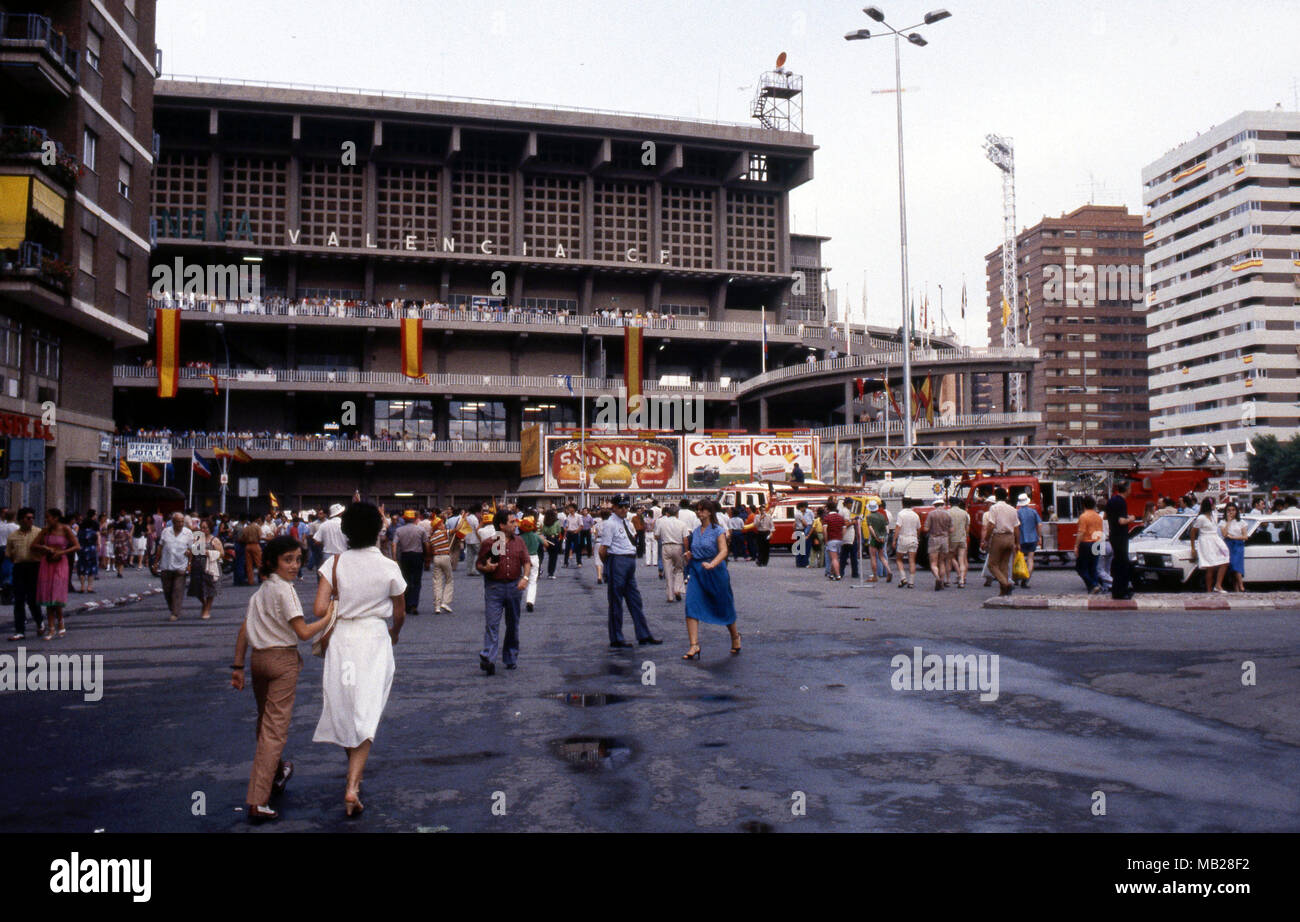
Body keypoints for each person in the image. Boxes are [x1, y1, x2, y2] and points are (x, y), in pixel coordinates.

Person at [230, 535, 333, 823]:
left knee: (265, 724)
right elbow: (303, 632)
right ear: (274, 561)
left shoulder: (260, 592)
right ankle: (257, 800)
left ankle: (275, 774)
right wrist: (330, 615)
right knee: (275, 730)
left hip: (258, 660)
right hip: (283, 661)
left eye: (298, 559)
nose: (294, 565)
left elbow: (244, 630)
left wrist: (237, 667)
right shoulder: (285, 591)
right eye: (288, 559)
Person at [312, 502, 406, 817]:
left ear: (346, 530)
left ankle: (354, 772)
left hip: (342, 641)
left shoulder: (334, 565)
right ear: (379, 530)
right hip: (375, 639)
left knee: (345, 707)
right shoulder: (389, 566)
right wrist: (394, 633)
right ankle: (352, 785)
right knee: (366, 710)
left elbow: (319, 609)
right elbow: (400, 611)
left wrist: (344, 600)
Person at [599, 494, 661, 648]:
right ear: (613, 507)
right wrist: (609, 566)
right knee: (616, 602)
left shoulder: (625, 521)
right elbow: (602, 550)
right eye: (620, 506)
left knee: (635, 600)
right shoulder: (610, 524)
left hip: (628, 561)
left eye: (626, 506)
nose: (624, 509)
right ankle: (616, 638)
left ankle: (643, 634)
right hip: (617, 561)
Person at [681, 499, 739, 660]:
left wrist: (712, 564)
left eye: (701, 510)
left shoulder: (717, 530)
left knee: (724, 606)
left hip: (715, 572)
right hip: (697, 571)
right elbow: (694, 550)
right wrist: (689, 556)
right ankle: (694, 645)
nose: (698, 512)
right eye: (697, 510)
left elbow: (724, 551)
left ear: (709, 512)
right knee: (691, 605)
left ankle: (735, 637)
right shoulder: (696, 530)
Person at [475, 511, 530, 674]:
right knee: (492, 624)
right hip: (494, 588)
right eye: (512, 522)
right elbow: (479, 564)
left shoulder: (519, 542)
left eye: (515, 522)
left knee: (513, 624)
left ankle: (510, 656)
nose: (515, 525)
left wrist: (525, 578)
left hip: (514, 587)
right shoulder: (490, 543)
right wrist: (486, 568)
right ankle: (489, 658)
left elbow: (526, 562)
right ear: (502, 525)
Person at [33, 508, 79, 639]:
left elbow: (76, 546)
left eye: (48, 517)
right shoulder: (45, 530)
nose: (46, 520)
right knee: (48, 596)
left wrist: (61, 552)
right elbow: (34, 545)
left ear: (56, 518)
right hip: (47, 563)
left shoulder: (65, 529)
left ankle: (61, 623)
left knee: (56, 594)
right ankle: (51, 628)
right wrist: (44, 548)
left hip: (60, 562)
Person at [6, 509, 43, 641]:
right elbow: (9, 554)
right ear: (21, 520)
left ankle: (40, 622)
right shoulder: (13, 536)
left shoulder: (38, 532)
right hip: (19, 567)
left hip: (34, 567)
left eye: (32, 518)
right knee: (19, 599)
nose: (31, 520)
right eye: (28, 518)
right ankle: (19, 630)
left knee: (33, 599)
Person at [981, 488, 1020, 597]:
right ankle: (1003, 591)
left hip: (999, 537)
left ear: (996, 497)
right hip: (1010, 537)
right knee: (1004, 565)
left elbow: (991, 525)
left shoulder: (994, 508)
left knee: (992, 564)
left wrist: (986, 540)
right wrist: (1017, 543)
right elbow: (1016, 527)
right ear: (1006, 496)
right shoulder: (1013, 509)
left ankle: (1006, 584)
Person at [156, 512, 194, 621]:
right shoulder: (166, 532)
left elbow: (192, 549)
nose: (181, 524)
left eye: (182, 521)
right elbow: (160, 547)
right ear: (173, 522)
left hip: (181, 566)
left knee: (178, 589)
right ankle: (173, 608)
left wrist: (189, 564)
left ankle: (175, 612)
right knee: (167, 590)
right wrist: (155, 562)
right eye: (178, 521)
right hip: (166, 565)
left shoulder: (188, 533)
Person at [1189, 497, 1229, 594]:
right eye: (1214, 504)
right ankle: (1209, 590)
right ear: (1210, 505)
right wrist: (1193, 548)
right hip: (1206, 541)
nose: (1215, 506)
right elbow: (1193, 532)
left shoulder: (1213, 515)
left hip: (1215, 539)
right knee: (1210, 566)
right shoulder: (1201, 518)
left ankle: (1218, 585)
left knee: (1225, 559)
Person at [187, 517, 222, 620]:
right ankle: (204, 603)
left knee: (211, 588)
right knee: (197, 588)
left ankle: (207, 609)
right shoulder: (197, 539)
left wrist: (209, 553)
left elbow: (221, 553)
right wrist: (189, 562)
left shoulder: (214, 540)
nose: (203, 530)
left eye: (205, 528)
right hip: (197, 566)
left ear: (210, 528)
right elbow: (191, 552)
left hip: (210, 566)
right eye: (201, 528)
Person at [1105, 481, 1136, 600]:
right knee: (1123, 564)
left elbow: (1107, 516)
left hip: (1113, 535)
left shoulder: (1111, 500)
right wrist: (1131, 518)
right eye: (1130, 488)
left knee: (1117, 563)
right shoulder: (1121, 502)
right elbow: (1121, 521)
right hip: (1121, 536)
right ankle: (1121, 592)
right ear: (1127, 489)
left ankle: (1116, 590)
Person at [393, 510, 427, 615]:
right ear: (414, 518)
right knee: (417, 581)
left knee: (405, 580)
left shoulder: (399, 530)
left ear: (404, 518)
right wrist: (427, 558)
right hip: (417, 555)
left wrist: (394, 558)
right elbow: (426, 544)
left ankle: (406, 605)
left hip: (405, 556)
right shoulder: (421, 530)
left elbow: (394, 545)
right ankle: (414, 605)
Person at [655, 503, 688, 602]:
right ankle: (677, 589)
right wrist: (686, 551)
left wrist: (663, 539)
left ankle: (670, 596)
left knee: (668, 571)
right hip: (678, 546)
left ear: (668, 514)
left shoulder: (661, 523)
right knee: (679, 569)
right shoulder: (682, 524)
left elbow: (656, 536)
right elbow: (685, 539)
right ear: (677, 514)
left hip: (665, 546)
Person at [1075, 496, 1104, 594]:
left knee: (1080, 568)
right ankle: (1094, 586)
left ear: (1083, 504)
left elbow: (1081, 532)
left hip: (1086, 543)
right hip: (1097, 542)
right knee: (1093, 567)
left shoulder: (1083, 516)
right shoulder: (1098, 517)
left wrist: (1076, 546)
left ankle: (1093, 585)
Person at [427, 514, 455, 613]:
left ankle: (437, 606)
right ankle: (445, 602)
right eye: (442, 524)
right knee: (449, 580)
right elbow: (455, 530)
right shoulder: (443, 533)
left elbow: (430, 549)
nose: (443, 525)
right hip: (445, 557)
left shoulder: (432, 537)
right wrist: (462, 519)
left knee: (437, 582)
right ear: (438, 526)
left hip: (436, 558)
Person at [1015, 494, 1043, 589]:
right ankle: (1026, 580)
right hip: (1032, 538)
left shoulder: (1017, 513)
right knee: (1030, 560)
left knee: (1019, 559)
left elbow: (1016, 527)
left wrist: (1016, 541)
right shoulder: (1033, 511)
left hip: (1021, 539)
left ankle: (1016, 578)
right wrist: (1039, 537)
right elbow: (1039, 525)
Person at [924, 498, 952, 590]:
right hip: (945, 539)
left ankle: (937, 577)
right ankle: (942, 580)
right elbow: (951, 529)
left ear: (935, 505)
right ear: (943, 504)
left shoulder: (931, 514)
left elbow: (926, 529)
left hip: (934, 539)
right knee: (942, 562)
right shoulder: (948, 514)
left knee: (933, 563)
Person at [1220, 502, 1247, 592]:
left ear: (1236, 511)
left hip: (1238, 544)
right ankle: (1237, 588)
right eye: (1229, 510)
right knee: (1231, 565)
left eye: (1233, 510)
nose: (1231, 512)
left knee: (1236, 565)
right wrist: (1228, 521)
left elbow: (1245, 536)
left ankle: (1241, 585)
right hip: (1228, 544)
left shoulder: (1241, 522)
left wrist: (1234, 537)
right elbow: (1224, 534)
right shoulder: (1223, 522)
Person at [894, 500, 921, 588]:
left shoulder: (901, 514)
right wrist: (917, 537)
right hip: (913, 538)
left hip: (903, 538)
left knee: (899, 559)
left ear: (903, 504)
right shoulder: (915, 515)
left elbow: (898, 527)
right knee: (912, 560)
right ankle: (911, 582)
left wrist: (894, 539)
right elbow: (919, 528)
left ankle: (903, 577)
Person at [519, 514, 543, 613]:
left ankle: (519, 599)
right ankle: (530, 601)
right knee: (533, 581)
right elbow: (545, 544)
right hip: (534, 557)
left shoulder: (519, 538)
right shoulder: (535, 536)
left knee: (523, 579)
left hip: (523, 559)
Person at [865, 501, 892, 583]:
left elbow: (870, 528)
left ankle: (875, 576)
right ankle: (889, 571)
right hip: (882, 538)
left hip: (874, 538)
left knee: (873, 557)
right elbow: (887, 527)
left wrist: (875, 536)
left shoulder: (869, 517)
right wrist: (884, 536)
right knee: (882, 556)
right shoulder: (882, 516)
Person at [948, 499, 970, 588]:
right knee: (962, 560)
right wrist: (966, 535)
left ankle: (948, 579)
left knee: (949, 558)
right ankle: (962, 580)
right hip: (962, 538)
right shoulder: (964, 513)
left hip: (952, 539)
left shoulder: (948, 513)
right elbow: (967, 527)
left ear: (950, 503)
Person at [75, 513, 99, 594]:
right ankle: (89, 587)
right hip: (91, 550)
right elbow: (96, 541)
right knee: (91, 568)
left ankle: (82, 587)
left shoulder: (80, 532)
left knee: (81, 568)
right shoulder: (93, 532)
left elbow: (77, 540)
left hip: (82, 550)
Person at [822, 503, 844, 580]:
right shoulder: (841, 517)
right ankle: (831, 573)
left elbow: (825, 530)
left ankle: (838, 575)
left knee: (834, 558)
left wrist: (826, 540)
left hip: (831, 539)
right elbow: (844, 529)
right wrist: (842, 537)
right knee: (835, 557)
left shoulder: (827, 518)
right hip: (839, 539)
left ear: (828, 509)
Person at [240, 517, 264, 585]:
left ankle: (251, 581)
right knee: (259, 563)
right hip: (255, 545)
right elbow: (260, 536)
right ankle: (263, 578)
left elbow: (243, 538)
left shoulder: (246, 528)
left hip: (247, 546)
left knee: (249, 565)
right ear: (255, 520)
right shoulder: (257, 527)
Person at [541, 509, 563, 579]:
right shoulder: (556, 522)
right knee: (554, 557)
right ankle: (551, 573)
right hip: (554, 539)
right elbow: (559, 531)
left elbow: (543, 531)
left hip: (547, 539)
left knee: (550, 555)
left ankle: (548, 571)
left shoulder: (545, 523)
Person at [793, 501, 812, 568]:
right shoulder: (800, 514)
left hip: (798, 530)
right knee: (804, 548)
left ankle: (799, 562)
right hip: (802, 530)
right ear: (801, 507)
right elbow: (805, 523)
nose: (805, 508)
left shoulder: (796, 513)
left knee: (799, 547)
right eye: (804, 507)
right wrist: (806, 526)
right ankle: (804, 563)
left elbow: (794, 524)